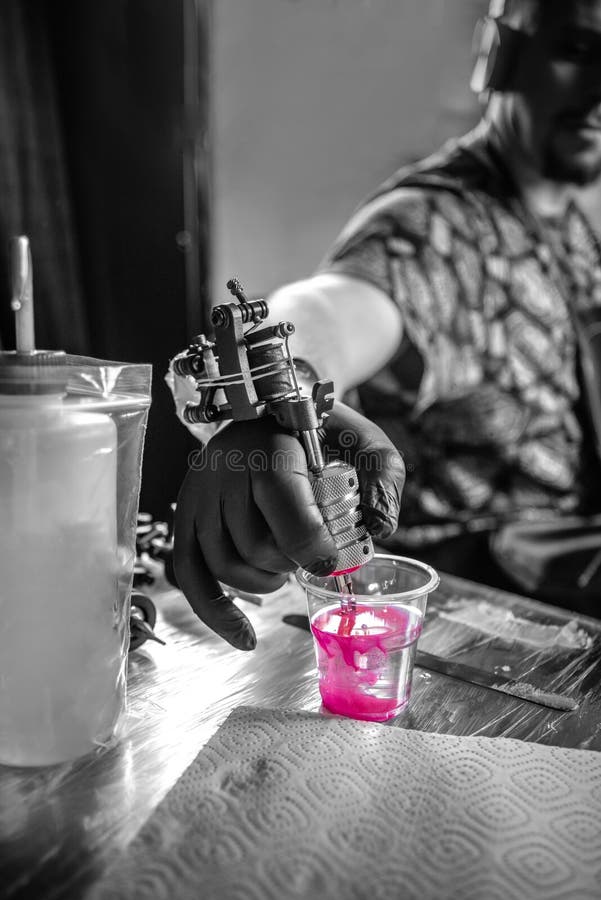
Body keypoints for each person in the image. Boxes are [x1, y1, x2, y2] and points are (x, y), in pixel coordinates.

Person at [170, 0, 601, 649]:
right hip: (468, 627)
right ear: (500, 55)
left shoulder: (572, 235)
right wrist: (273, 398)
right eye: (575, 50)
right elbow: (330, 312)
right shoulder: (431, 230)